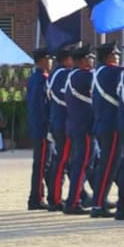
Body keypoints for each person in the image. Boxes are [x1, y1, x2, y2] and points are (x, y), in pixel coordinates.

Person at [90, 42, 122, 218]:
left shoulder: (99, 72)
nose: (117, 58)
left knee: (109, 165)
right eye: (115, 55)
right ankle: (98, 204)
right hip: (112, 125)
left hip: (103, 124)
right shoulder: (111, 72)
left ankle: (99, 200)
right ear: (108, 57)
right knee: (109, 165)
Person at [63, 45, 94, 215]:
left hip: (76, 125)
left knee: (81, 165)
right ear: (82, 60)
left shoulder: (72, 75)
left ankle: (78, 198)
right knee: (81, 165)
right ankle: (73, 201)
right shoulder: (83, 76)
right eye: (89, 58)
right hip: (84, 127)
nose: (91, 61)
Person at [45, 46, 73, 211]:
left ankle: (56, 197)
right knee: (62, 162)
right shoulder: (63, 75)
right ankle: (55, 199)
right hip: (63, 122)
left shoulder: (55, 74)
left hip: (58, 121)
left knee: (62, 161)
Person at [25, 48, 51, 211]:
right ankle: (36, 197)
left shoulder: (36, 78)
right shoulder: (40, 79)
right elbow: (41, 106)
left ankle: (39, 196)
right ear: (41, 61)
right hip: (42, 127)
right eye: (48, 59)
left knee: (42, 164)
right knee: (41, 164)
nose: (50, 62)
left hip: (38, 126)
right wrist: (48, 126)